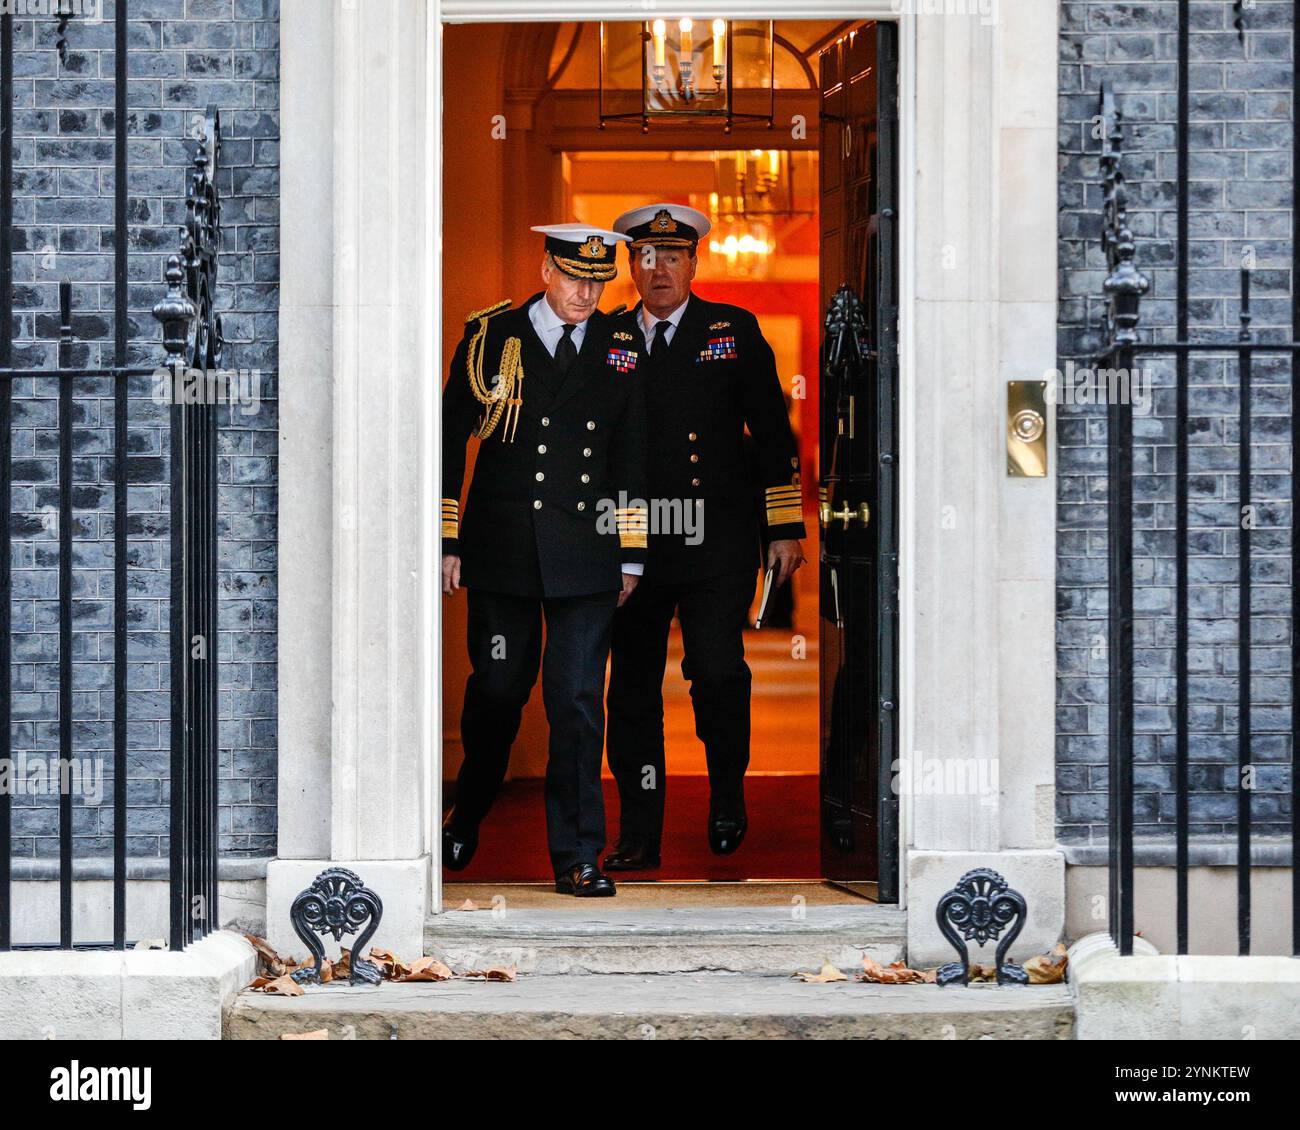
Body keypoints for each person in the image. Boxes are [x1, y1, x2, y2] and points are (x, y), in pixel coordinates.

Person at [441, 223, 647, 897]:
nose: (587, 293)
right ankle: (466, 809)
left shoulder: (621, 346)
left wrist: (632, 551)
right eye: (575, 278)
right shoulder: (492, 339)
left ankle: (577, 856)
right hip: (502, 551)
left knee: (578, 702)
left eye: (598, 282)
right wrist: (447, 538)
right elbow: (448, 440)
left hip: (587, 556)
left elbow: (631, 452)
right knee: (500, 691)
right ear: (546, 270)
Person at [603, 203, 807, 871]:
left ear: (695, 262)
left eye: (673, 256)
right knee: (630, 689)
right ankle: (639, 831)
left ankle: (727, 794)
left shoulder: (733, 331)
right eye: (646, 257)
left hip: (714, 537)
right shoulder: (608, 338)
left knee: (716, 673)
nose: (659, 269)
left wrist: (782, 527)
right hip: (633, 539)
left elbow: (775, 438)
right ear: (630, 265)